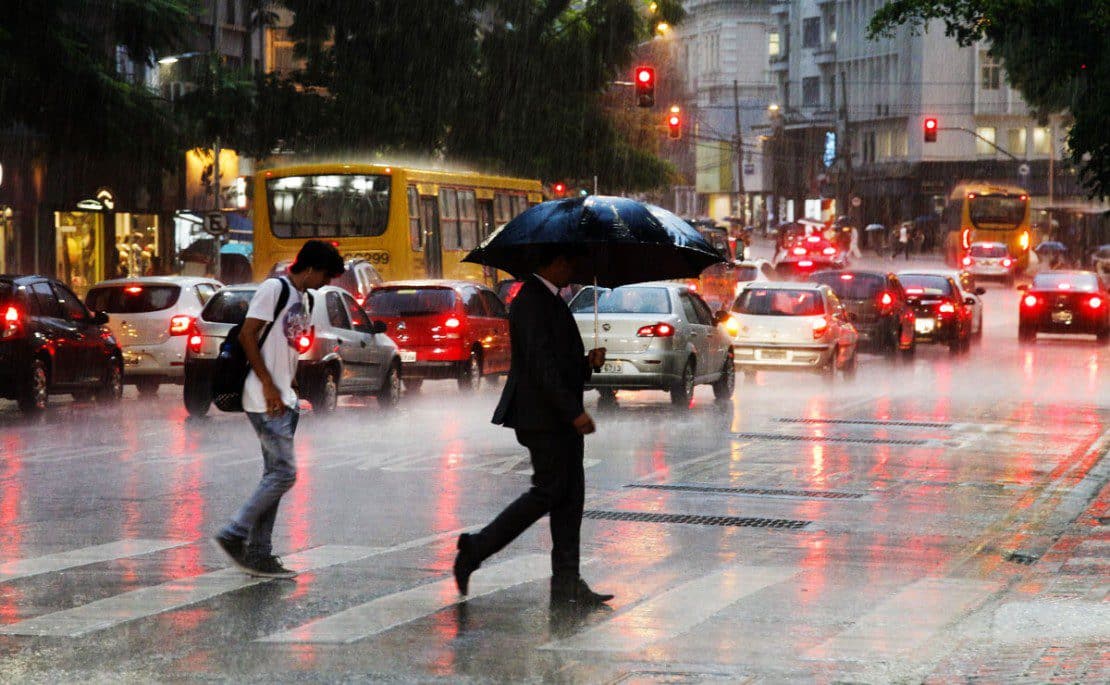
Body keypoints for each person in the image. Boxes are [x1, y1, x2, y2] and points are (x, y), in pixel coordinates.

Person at [453, 244, 613, 609]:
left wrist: (587, 362)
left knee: (570, 500)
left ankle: (568, 583)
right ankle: (474, 550)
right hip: (544, 418)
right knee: (548, 492)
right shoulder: (531, 301)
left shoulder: (550, 298)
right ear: (554, 261)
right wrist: (573, 412)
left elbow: (559, 360)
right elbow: (540, 366)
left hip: (559, 418)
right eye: (569, 261)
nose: (573, 270)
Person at [212, 239, 344, 578]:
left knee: (275, 476)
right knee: (284, 473)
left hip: (283, 397)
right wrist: (269, 383)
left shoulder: (303, 296)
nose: (327, 283)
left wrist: (290, 380)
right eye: (326, 276)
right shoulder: (275, 288)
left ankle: (259, 552)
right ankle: (234, 533)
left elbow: (286, 343)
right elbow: (247, 335)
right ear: (311, 268)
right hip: (263, 397)